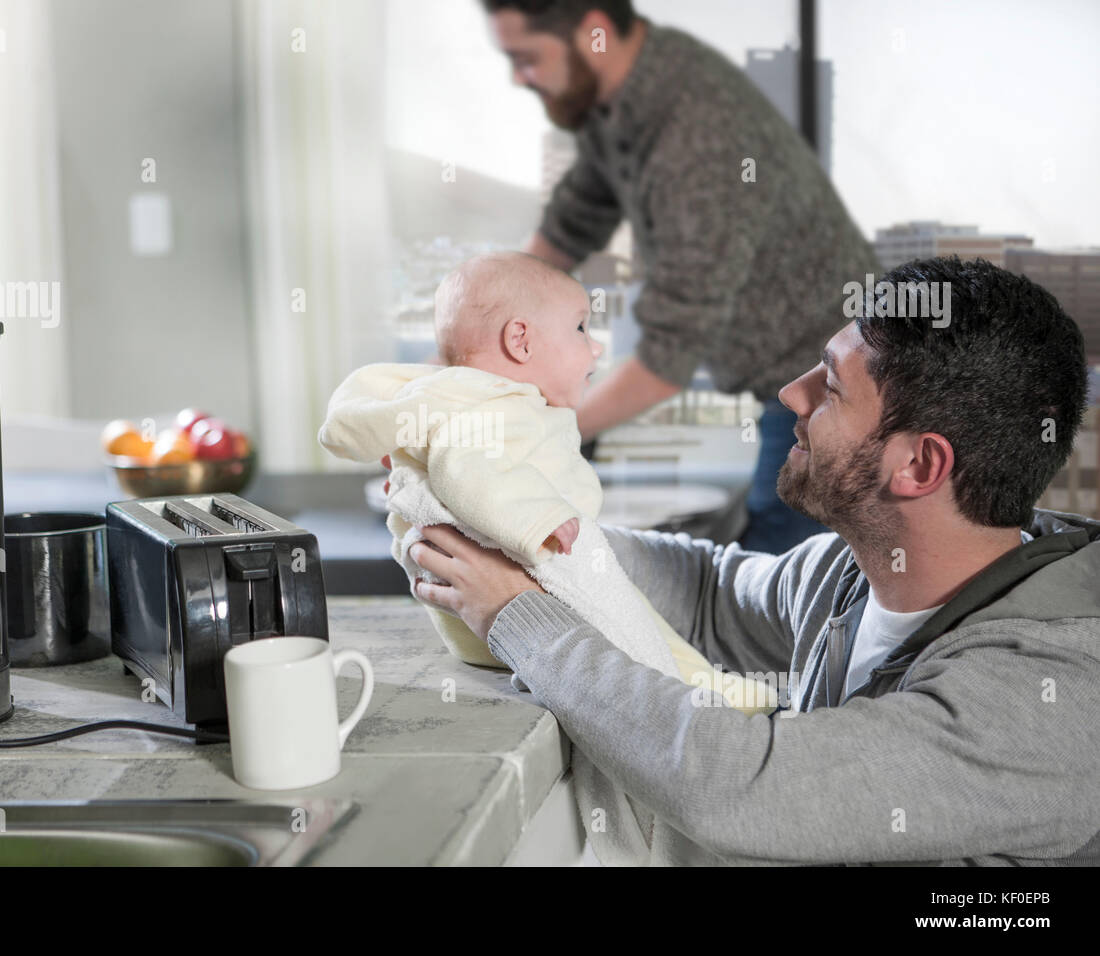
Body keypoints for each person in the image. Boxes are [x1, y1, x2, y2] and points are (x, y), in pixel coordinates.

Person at [406, 256, 1100, 865]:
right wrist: (516, 526)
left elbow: (740, 788)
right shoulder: (853, 576)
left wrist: (518, 616)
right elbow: (710, 595)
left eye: (829, 386)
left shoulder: (1047, 693)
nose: (790, 394)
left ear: (917, 465)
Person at [482, 0, 880, 553]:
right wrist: (463, 348)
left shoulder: (696, 127)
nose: (519, 78)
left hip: (833, 382)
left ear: (593, 31)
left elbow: (669, 356)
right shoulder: (618, 104)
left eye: (526, 58)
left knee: (784, 559)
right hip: (796, 373)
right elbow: (571, 223)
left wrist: (531, 435)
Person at [318, 251, 776, 712]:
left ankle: (713, 688)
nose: (595, 347)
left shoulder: (491, 401)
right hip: (524, 580)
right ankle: (707, 702)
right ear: (521, 340)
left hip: (509, 593)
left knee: (644, 619)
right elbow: (468, 467)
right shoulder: (491, 404)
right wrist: (539, 517)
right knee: (633, 632)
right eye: (580, 328)